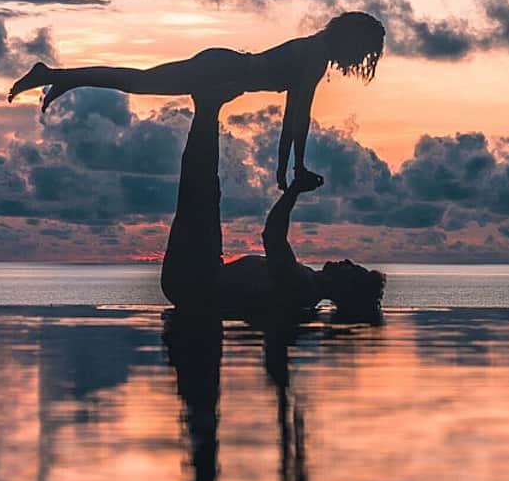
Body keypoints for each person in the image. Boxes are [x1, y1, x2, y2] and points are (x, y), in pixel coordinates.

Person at [8, 12, 385, 190]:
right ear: (353, 41)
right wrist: (291, 167)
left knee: (137, 81)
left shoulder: (313, 50)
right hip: (220, 69)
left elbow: (294, 116)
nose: (361, 60)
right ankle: (53, 76)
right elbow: (298, 116)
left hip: (222, 66)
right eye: (365, 51)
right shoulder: (316, 54)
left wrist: (288, 169)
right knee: (138, 82)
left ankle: (60, 78)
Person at [160, 88, 384, 323]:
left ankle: (208, 104)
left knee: (200, 192)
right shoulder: (305, 284)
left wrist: (294, 191)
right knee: (204, 192)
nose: (347, 262)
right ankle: (208, 105)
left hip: (193, 281)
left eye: (354, 269)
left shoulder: (301, 286)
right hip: (200, 274)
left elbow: (273, 236)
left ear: (345, 288)